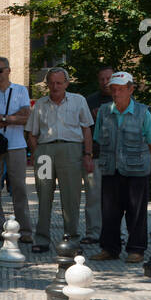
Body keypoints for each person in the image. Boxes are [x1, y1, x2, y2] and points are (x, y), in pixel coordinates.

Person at [89, 72, 151, 263]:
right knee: (109, 212)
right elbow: (97, 139)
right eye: (113, 89)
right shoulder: (103, 112)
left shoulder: (143, 112)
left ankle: (136, 249)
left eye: (121, 89)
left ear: (131, 90)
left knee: (136, 212)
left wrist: (134, 157)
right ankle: (109, 249)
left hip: (137, 171)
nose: (116, 93)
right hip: (111, 170)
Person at [24, 67, 94, 253]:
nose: (55, 87)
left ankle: (71, 239)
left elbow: (87, 129)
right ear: (47, 84)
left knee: (71, 196)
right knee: (43, 194)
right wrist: (37, 153)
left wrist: (88, 154)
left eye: (59, 83)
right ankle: (42, 239)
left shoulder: (78, 100)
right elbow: (31, 134)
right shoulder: (40, 104)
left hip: (71, 150)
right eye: (51, 83)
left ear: (66, 83)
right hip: (45, 152)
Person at [0, 58, 32, 243]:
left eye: (0, 71)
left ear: (9, 70)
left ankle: (25, 230)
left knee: (19, 187)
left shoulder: (21, 90)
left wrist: (0, 118)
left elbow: (27, 118)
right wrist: (11, 118)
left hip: (16, 145)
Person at [80, 65, 115, 248]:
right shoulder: (89, 101)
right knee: (93, 198)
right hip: (95, 154)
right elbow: (84, 129)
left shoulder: (124, 98)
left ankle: (118, 233)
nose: (105, 82)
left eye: (108, 78)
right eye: (102, 79)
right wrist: (87, 155)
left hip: (118, 157)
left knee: (116, 198)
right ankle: (93, 232)